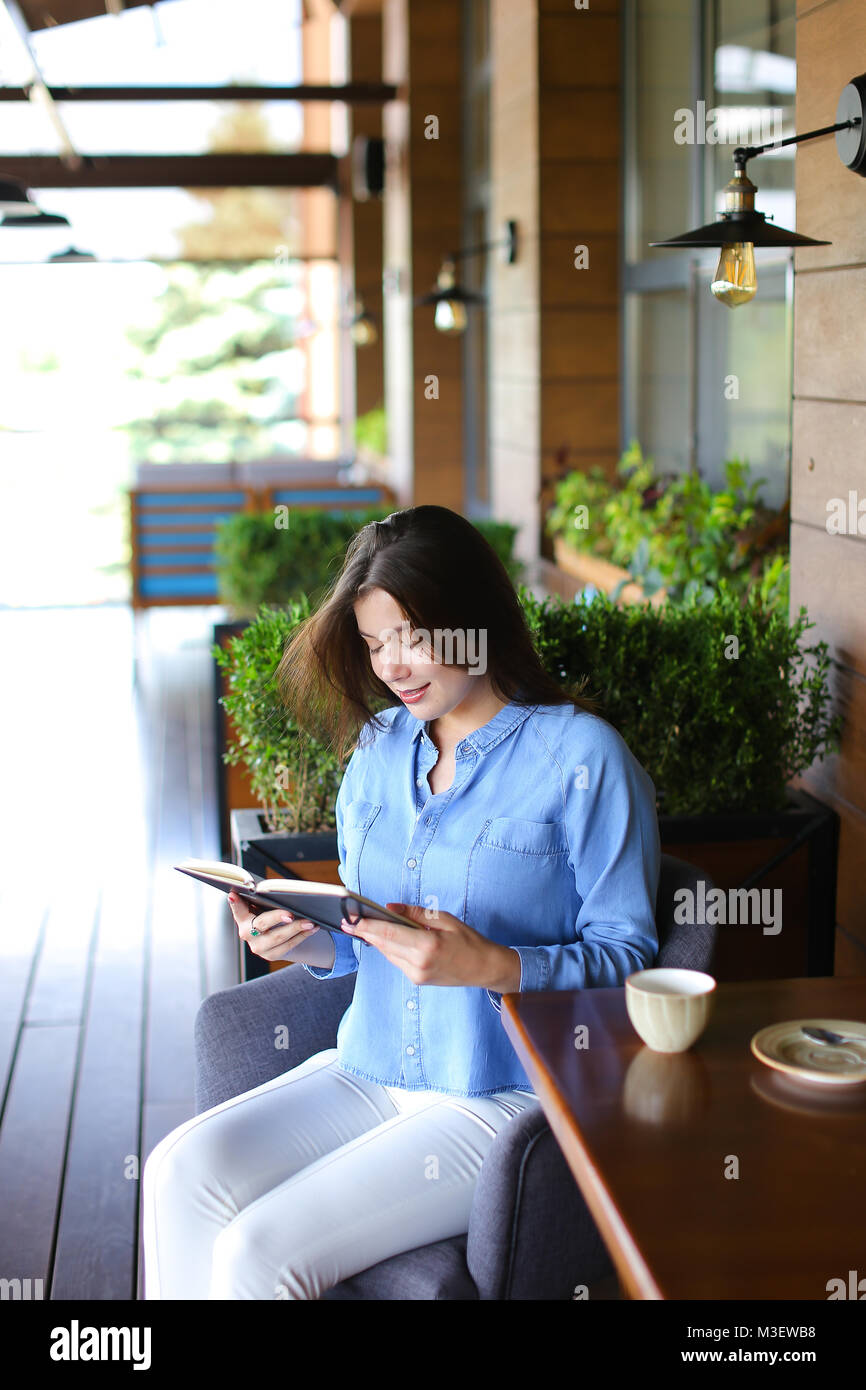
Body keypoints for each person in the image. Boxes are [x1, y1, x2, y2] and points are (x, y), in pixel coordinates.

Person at [142, 504, 660, 1300]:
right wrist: (300, 941)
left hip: (501, 1096)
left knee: (256, 1252)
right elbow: (359, 939)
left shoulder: (581, 757)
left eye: (411, 638)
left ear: (475, 621)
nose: (392, 665)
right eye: (375, 642)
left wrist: (492, 964)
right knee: (177, 1172)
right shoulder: (378, 751)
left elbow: (632, 962)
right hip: (369, 1064)